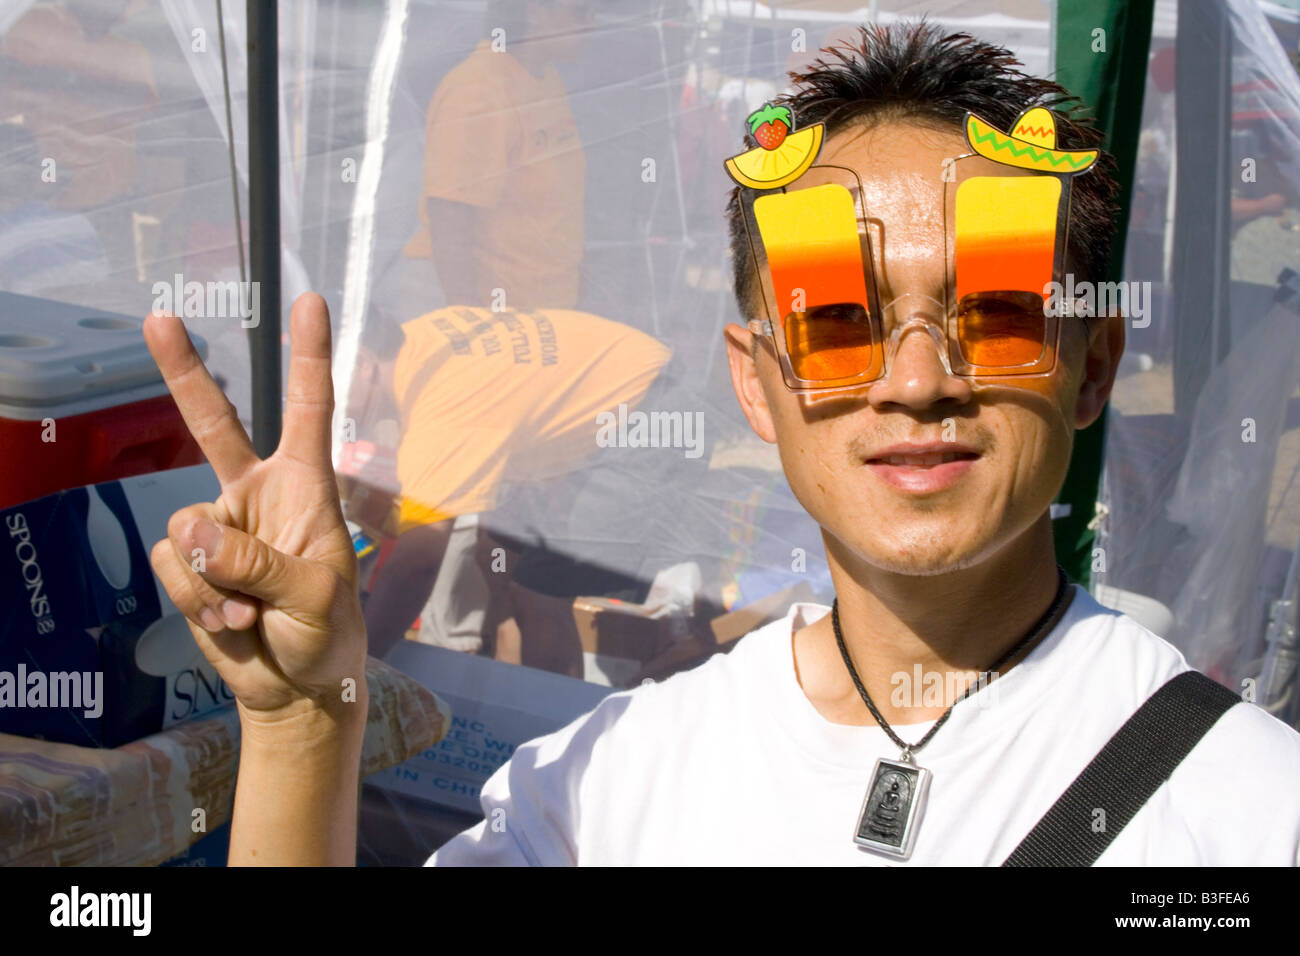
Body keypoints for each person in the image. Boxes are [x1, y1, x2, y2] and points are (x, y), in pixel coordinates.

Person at [142, 23, 1300, 866]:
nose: (915, 380)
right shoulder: (605, 788)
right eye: (839, 321)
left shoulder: (1249, 806)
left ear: (1091, 363)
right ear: (755, 381)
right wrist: (301, 731)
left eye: (991, 314)